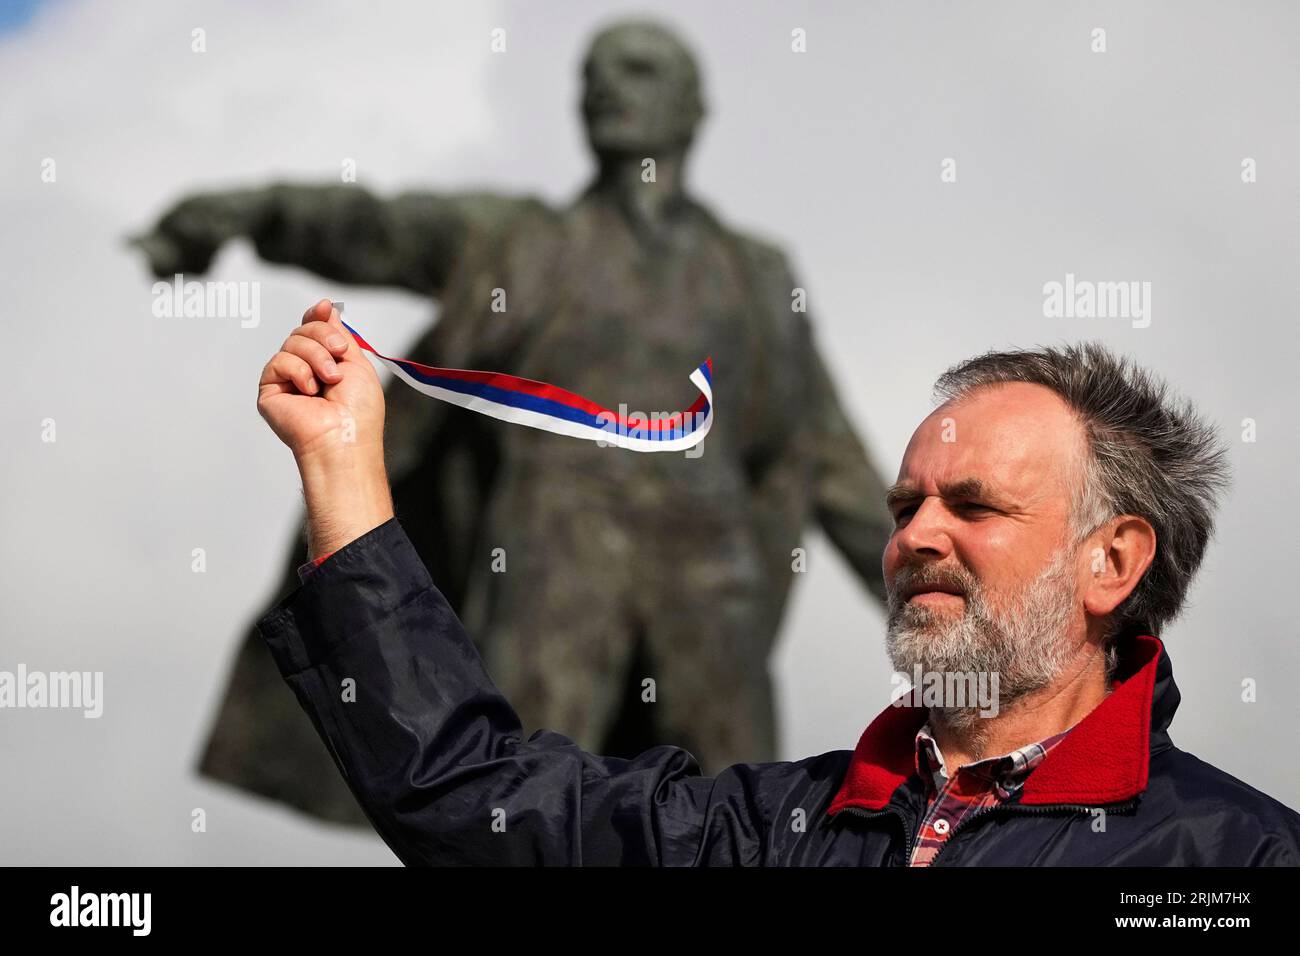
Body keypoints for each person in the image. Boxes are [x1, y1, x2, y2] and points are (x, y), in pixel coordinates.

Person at [136, 20, 895, 819]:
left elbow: (829, 457)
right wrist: (245, 212)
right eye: (592, 74)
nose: (605, 87)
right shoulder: (520, 241)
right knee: (514, 803)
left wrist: (955, 597)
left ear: (693, 109)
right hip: (547, 554)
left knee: (735, 817)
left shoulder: (757, 275)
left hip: (711, 576)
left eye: (635, 70)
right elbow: (374, 225)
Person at [253, 299, 1300, 865]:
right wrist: (343, 470)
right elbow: (470, 799)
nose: (916, 536)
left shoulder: (1232, 852)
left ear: (1111, 561)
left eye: (973, 506)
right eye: (902, 508)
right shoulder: (763, 829)